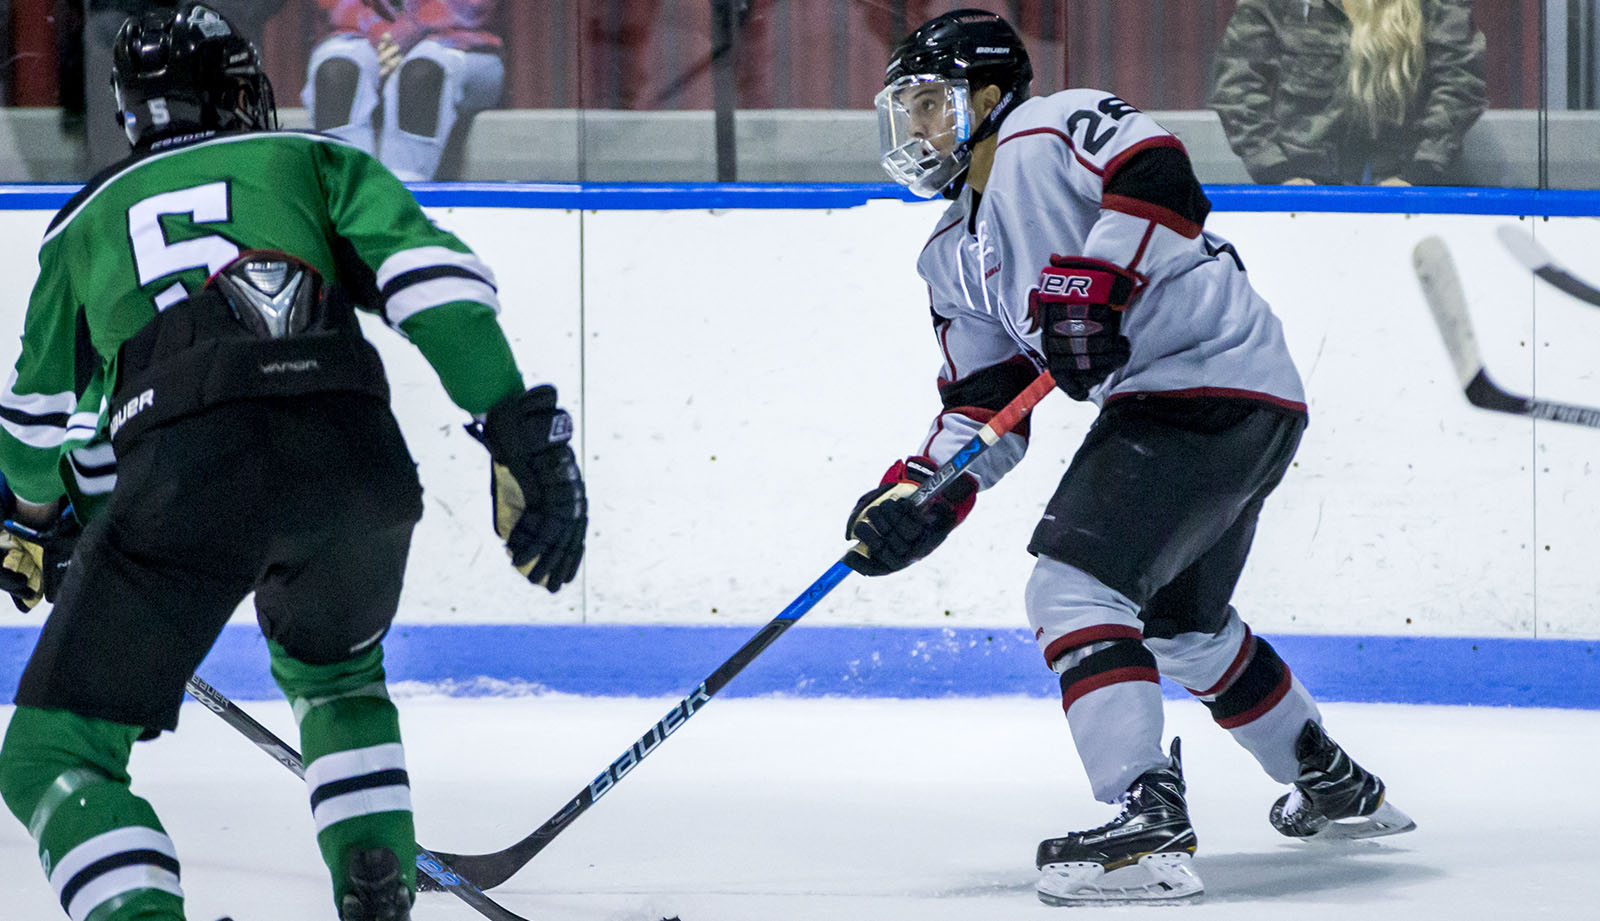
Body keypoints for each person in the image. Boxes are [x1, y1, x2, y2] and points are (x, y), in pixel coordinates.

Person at [0, 5, 586, 921]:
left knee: (53, 754)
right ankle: (374, 884)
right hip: (356, 458)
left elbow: (39, 430)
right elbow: (438, 289)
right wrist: (514, 425)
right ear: (235, 96)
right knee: (340, 677)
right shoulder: (313, 159)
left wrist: (38, 523)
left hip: (189, 470)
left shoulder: (82, 226)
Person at [852, 9, 1414, 904]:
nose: (914, 129)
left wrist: (1098, 282)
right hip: (1237, 400)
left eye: (930, 103)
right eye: (906, 109)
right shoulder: (949, 257)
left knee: (1069, 589)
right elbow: (984, 404)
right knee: (1182, 627)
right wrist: (920, 493)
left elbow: (1159, 176)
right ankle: (1329, 775)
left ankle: (1143, 819)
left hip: (1205, 383)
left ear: (988, 98)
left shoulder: (1047, 127)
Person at [1208, 0, 1486, 186]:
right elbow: (1237, 83)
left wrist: (1418, 174)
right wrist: (1276, 172)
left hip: (1403, 189)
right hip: (1302, 191)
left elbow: (1461, 80)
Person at [305, 0, 505, 181]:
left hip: (459, 39)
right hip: (363, 32)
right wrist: (384, 35)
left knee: (421, 73)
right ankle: (349, 192)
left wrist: (415, 27)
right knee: (337, 73)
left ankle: (405, 196)